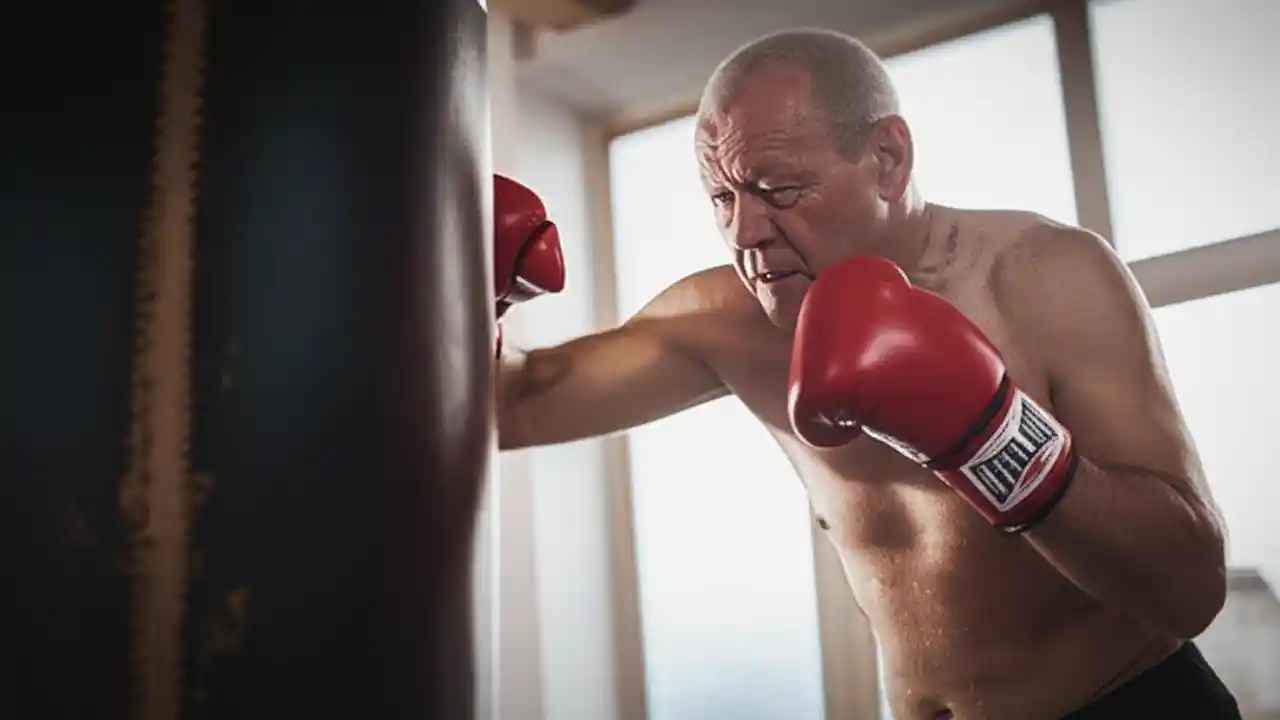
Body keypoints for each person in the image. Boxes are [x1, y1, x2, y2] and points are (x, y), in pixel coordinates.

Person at [491, 28, 1240, 720]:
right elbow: (513, 407)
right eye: (723, 197)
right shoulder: (724, 321)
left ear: (887, 159)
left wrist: (994, 441)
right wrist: (466, 287)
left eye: (779, 189)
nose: (746, 232)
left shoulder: (1046, 277)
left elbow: (1190, 586)